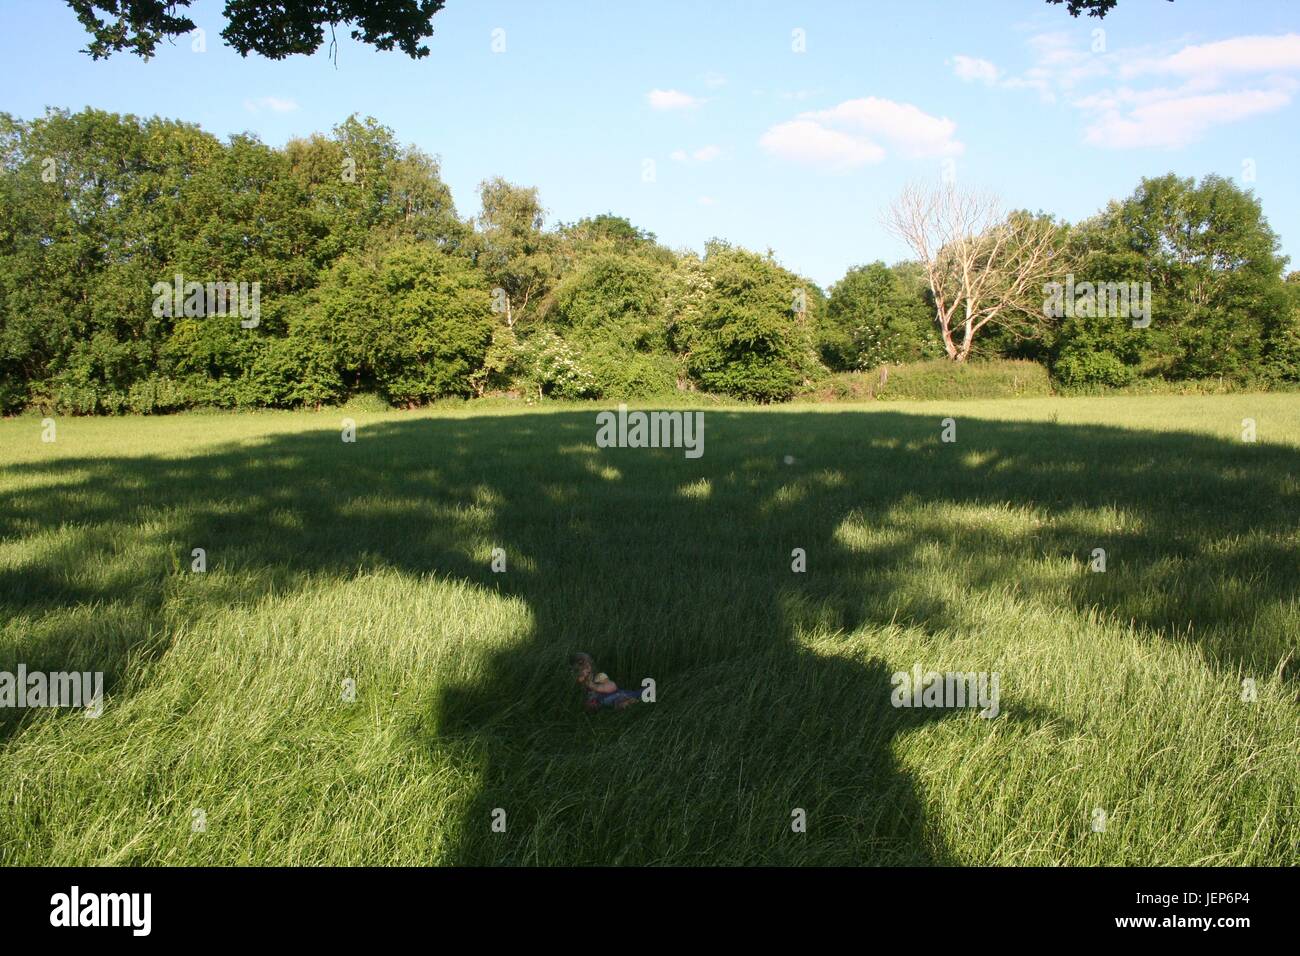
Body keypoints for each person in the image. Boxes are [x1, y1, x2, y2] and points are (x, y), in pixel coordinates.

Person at [569, 652, 640, 712]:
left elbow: (613, 686)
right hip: (604, 703)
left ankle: (632, 700)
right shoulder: (577, 688)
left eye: (588, 665)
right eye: (582, 668)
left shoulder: (599, 677)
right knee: (610, 705)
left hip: (615, 695)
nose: (587, 668)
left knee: (626, 697)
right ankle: (628, 703)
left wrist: (594, 686)